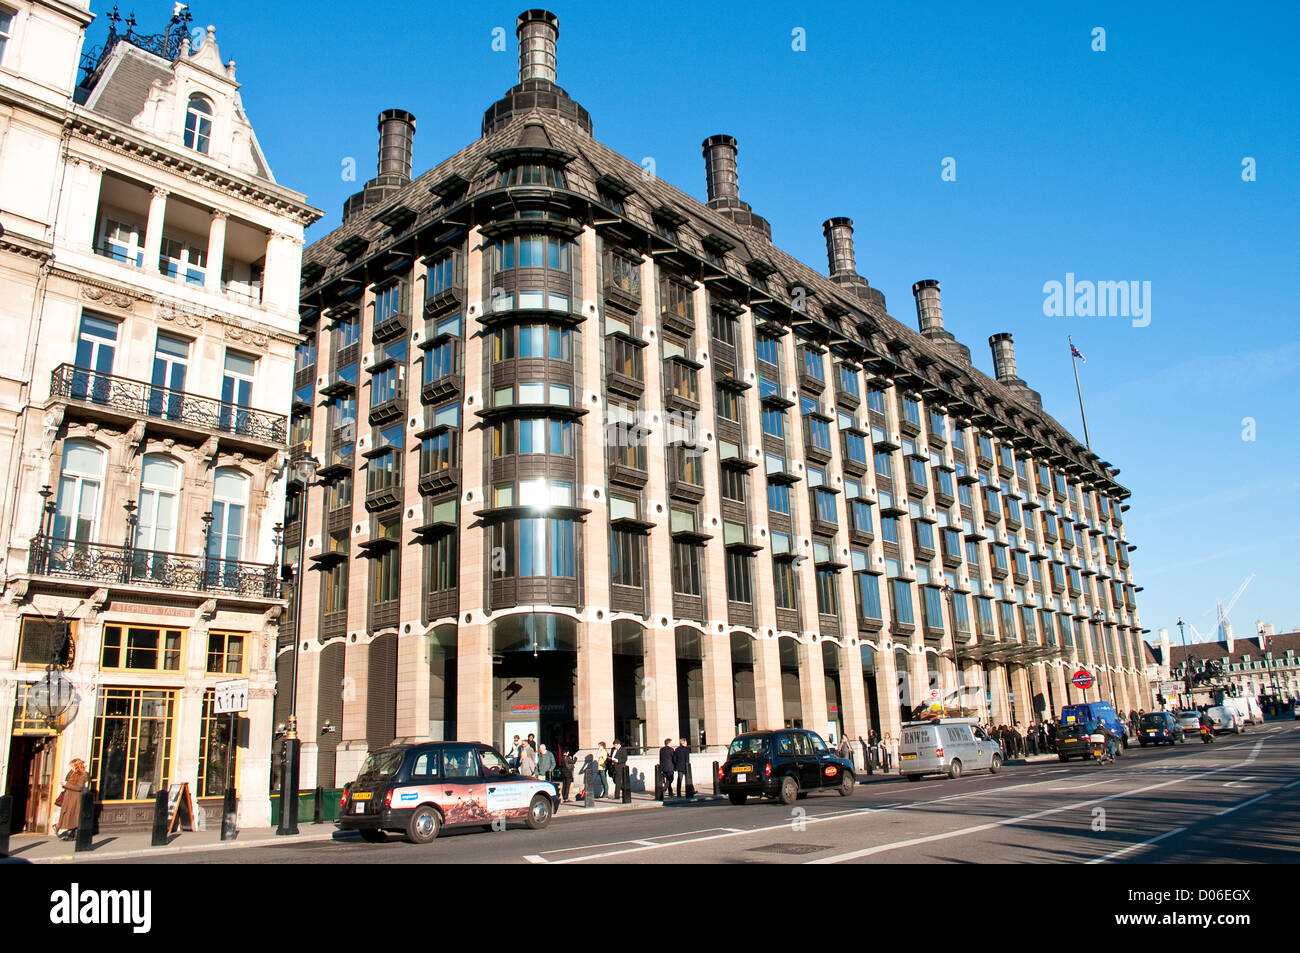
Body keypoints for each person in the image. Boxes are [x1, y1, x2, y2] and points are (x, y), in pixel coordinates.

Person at [55, 758, 88, 840]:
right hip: (68, 797)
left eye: (72, 766)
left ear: (76, 766)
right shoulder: (71, 773)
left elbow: (79, 787)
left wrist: (66, 785)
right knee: (67, 814)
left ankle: (72, 833)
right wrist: (64, 784)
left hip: (75, 799)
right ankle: (70, 832)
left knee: (73, 815)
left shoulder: (81, 775)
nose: (71, 768)